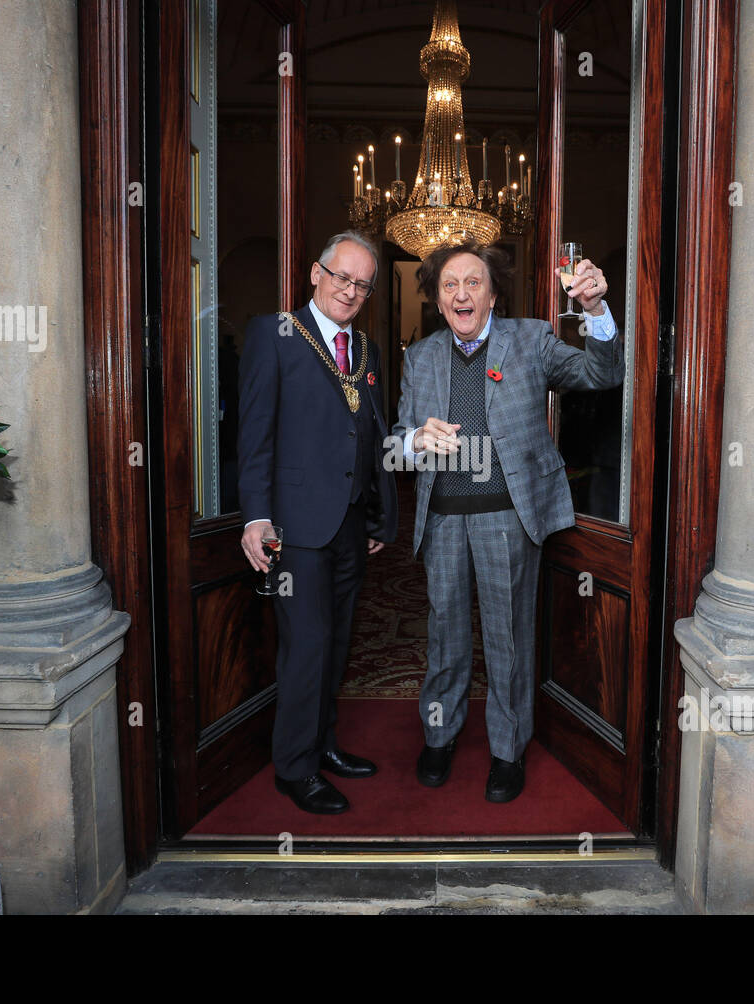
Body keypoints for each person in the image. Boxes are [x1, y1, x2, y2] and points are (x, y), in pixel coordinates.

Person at [392, 241, 624, 802]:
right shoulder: (419, 358)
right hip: (443, 520)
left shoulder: (531, 339)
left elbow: (602, 373)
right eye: (450, 285)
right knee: (444, 638)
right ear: (438, 300)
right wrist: (413, 440)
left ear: (493, 292)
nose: (462, 293)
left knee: (509, 642)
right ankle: (440, 736)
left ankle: (507, 750)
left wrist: (595, 312)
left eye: (474, 282)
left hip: (507, 519)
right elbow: (394, 447)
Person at [237, 231, 398, 814]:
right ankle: (294, 769)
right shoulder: (274, 334)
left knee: (336, 644)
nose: (349, 291)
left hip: (351, 525)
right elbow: (254, 432)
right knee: (305, 647)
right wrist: (256, 516)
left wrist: (378, 513)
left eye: (361, 284)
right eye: (341, 277)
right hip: (296, 528)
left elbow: (371, 432)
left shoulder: (367, 351)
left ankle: (323, 743)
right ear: (315, 273)